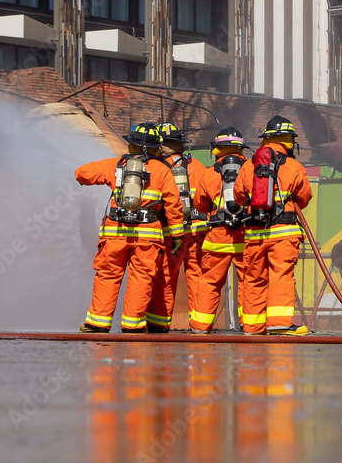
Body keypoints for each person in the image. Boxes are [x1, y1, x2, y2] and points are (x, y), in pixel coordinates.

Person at [75, 122, 184, 333]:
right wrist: (177, 235)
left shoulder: (116, 165)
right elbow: (173, 204)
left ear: (131, 144)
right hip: (147, 237)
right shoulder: (163, 170)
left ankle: (97, 323)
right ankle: (132, 326)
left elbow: (81, 173)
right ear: (156, 147)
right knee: (141, 278)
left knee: (108, 276)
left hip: (114, 233)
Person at [233, 115, 313, 335]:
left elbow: (238, 196)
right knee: (281, 275)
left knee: (254, 277)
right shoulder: (294, 166)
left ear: (265, 139)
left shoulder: (249, 165)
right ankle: (279, 324)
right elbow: (304, 198)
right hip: (283, 233)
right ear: (289, 141)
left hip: (254, 233)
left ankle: (252, 326)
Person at [145, 121, 208, 333]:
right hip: (198, 230)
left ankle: (159, 324)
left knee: (166, 276)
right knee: (198, 275)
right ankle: (199, 325)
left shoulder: (156, 168)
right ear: (180, 144)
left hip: (171, 232)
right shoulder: (198, 167)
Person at [190, 127, 250, 333]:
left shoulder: (208, 173)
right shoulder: (252, 169)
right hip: (246, 235)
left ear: (216, 149)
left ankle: (200, 326)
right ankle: (249, 324)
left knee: (209, 281)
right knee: (248, 281)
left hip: (217, 236)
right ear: (241, 149)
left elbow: (199, 204)